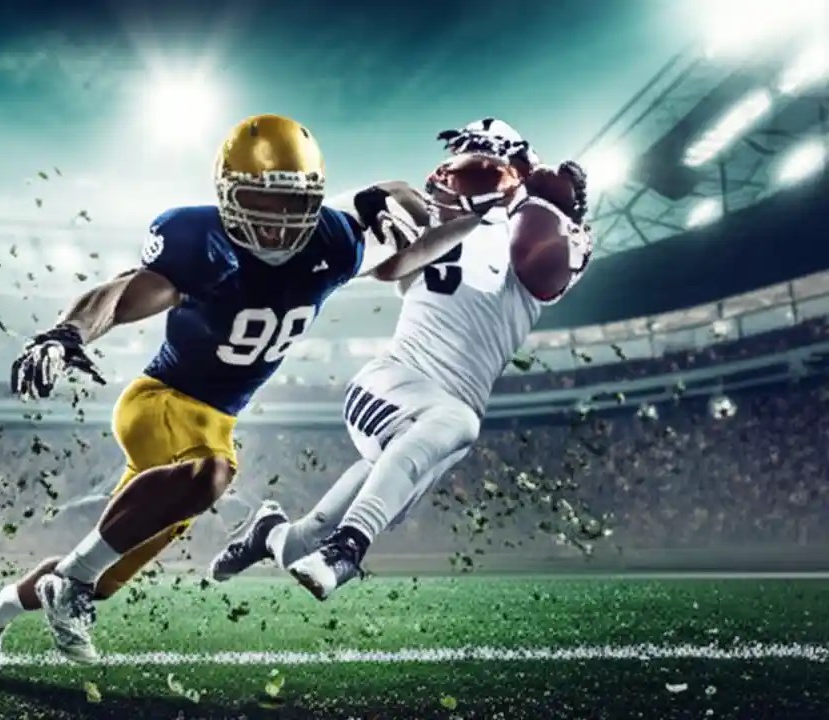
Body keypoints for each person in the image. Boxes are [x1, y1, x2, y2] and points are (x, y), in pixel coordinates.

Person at [0, 113, 492, 677]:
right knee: (212, 475)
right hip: (162, 402)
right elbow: (121, 294)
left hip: (215, 423)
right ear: (225, 193)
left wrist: (451, 217)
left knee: (107, 573)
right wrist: (64, 334)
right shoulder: (200, 242)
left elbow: (395, 235)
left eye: (290, 206)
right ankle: (69, 583)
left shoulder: (334, 245)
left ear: (313, 201)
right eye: (258, 203)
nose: (273, 224)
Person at [209, 118, 595, 601]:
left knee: (304, 540)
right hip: (393, 381)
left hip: (441, 412)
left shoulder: (534, 242)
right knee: (452, 423)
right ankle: (345, 551)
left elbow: (547, 257)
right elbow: (389, 264)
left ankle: (270, 531)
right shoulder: (437, 226)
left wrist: (558, 206)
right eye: (462, 172)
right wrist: (380, 201)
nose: (460, 182)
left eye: (481, 172)